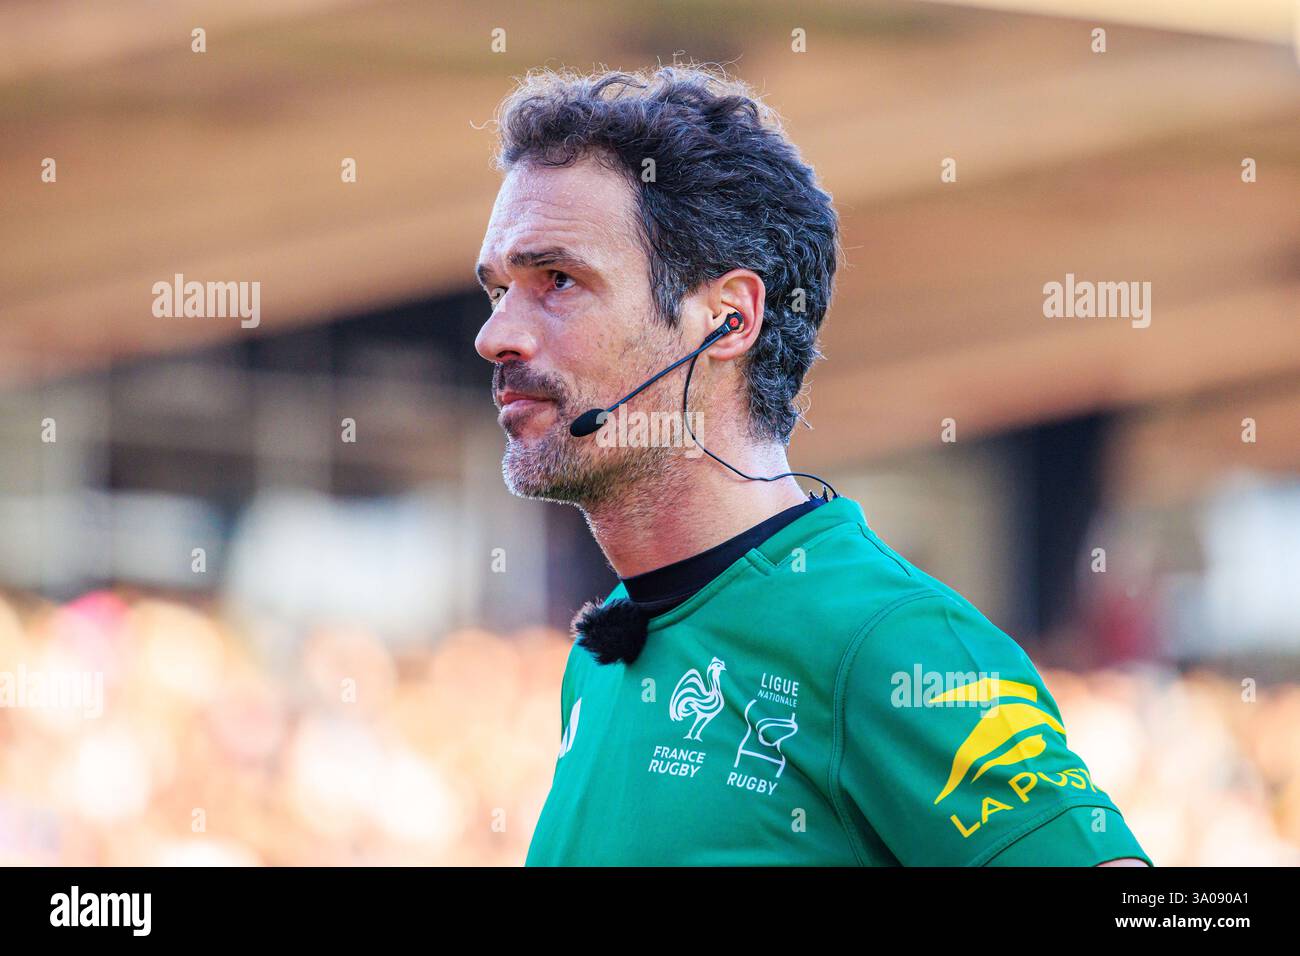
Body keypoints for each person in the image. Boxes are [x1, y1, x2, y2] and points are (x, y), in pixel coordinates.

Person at [473, 64, 1150, 866]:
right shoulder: (604, 652)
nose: (496, 336)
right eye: (496, 291)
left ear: (727, 321)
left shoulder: (892, 642)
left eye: (556, 281)